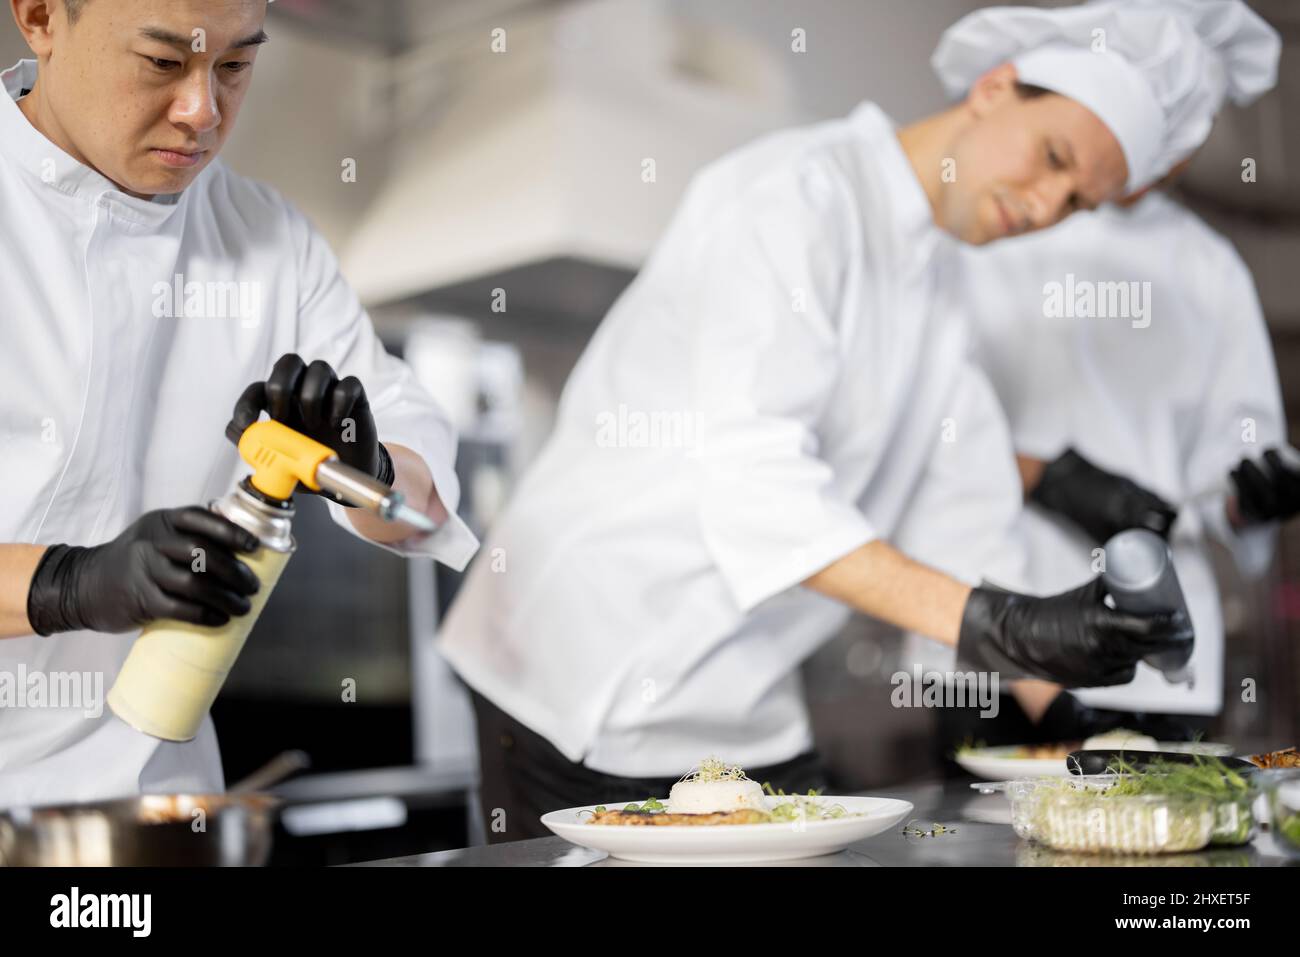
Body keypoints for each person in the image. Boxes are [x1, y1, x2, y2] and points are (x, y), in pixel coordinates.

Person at [438, 0, 1270, 841]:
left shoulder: (942, 294)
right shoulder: (793, 196)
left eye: (1079, 201)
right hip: (580, 666)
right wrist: (1004, 623)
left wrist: (1070, 714)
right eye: (1053, 156)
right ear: (994, 88)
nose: (1048, 202)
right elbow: (761, 487)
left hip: (743, 702)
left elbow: (965, 529)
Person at [0, 0, 478, 807]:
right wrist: (69, 583)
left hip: (154, 805)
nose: (202, 111)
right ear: (41, 16)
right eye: (161, 63)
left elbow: (416, 510)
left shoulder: (269, 241)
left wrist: (368, 460)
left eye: (234, 66)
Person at [918, 186, 1288, 749]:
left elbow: (1230, 459)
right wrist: (1047, 477)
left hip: (1159, 653)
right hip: (986, 647)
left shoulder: (1207, 263)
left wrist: (1247, 502)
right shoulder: (985, 237)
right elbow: (925, 432)